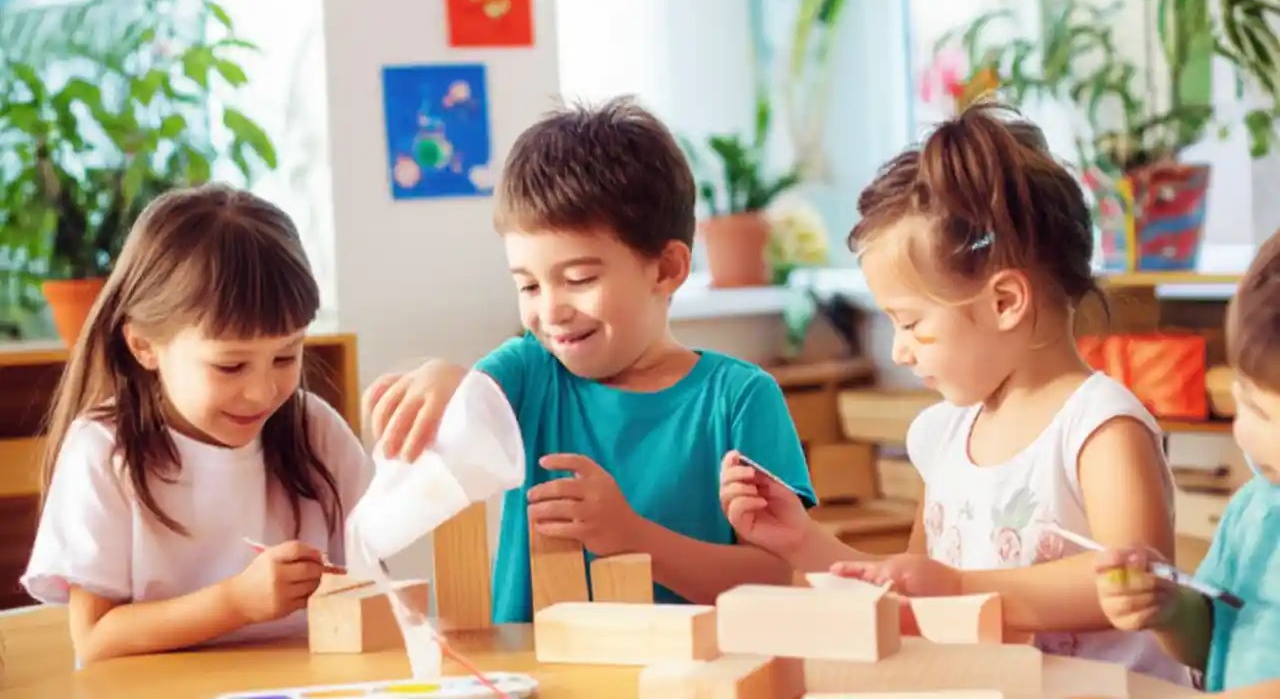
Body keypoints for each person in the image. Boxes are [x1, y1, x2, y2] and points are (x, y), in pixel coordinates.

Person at [720, 102, 1186, 683]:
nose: (898, 350)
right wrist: (805, 542)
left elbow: (1137, 581)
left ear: (1005, 302)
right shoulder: (945, 434)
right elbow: (915, 587)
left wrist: (962, 588)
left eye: (912, 324)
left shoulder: (1100, 427)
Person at [364, 97, 815, 623]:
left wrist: (633, 538)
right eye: (528, 285)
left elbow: (778, 577)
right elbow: (465, 405)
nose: (550, 310)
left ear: (666, 269)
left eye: (579, 279)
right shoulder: (530, 372)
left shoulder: (739, 399)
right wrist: (442, 378)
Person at [21, 185, 371, 664]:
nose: (263, 391)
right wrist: (238, 603)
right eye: (230, 366)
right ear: (144, 347)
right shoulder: (104, 451)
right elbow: (96, 637)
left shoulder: (314, 430)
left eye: (287, 355)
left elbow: (378, 561)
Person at [1095, 228, 1280, 695]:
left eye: (1261, 412)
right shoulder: (1255, 510)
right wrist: (1170, 609)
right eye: (1242, 403)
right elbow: (1213, 641)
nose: (1242, 430)